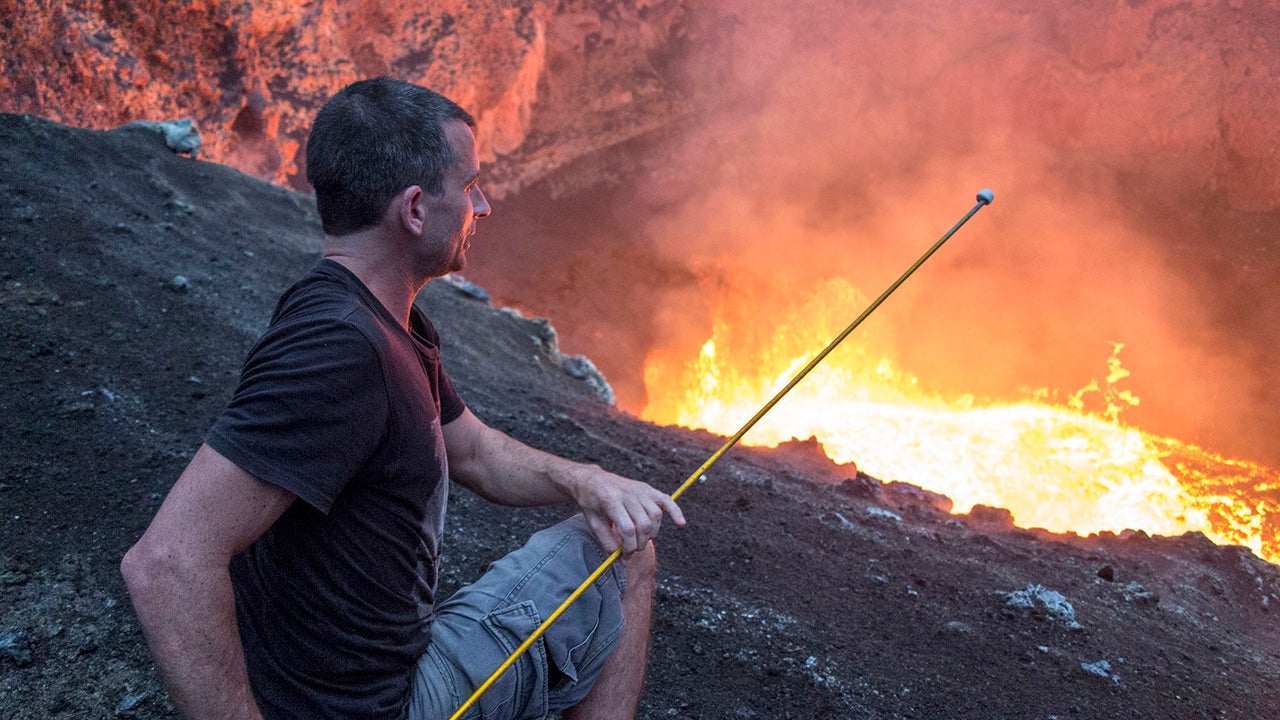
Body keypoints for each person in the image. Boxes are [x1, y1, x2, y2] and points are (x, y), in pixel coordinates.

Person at [121, 77, 685, 720]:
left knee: (605, 518)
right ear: (415, 209)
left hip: (353, 682)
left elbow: (471, 449)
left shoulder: (368, 314)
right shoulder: (340, 346)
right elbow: (166, 563)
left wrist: (587, 479)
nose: (484, 206)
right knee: (623, 553)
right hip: (388, 706)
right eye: (470, 187)